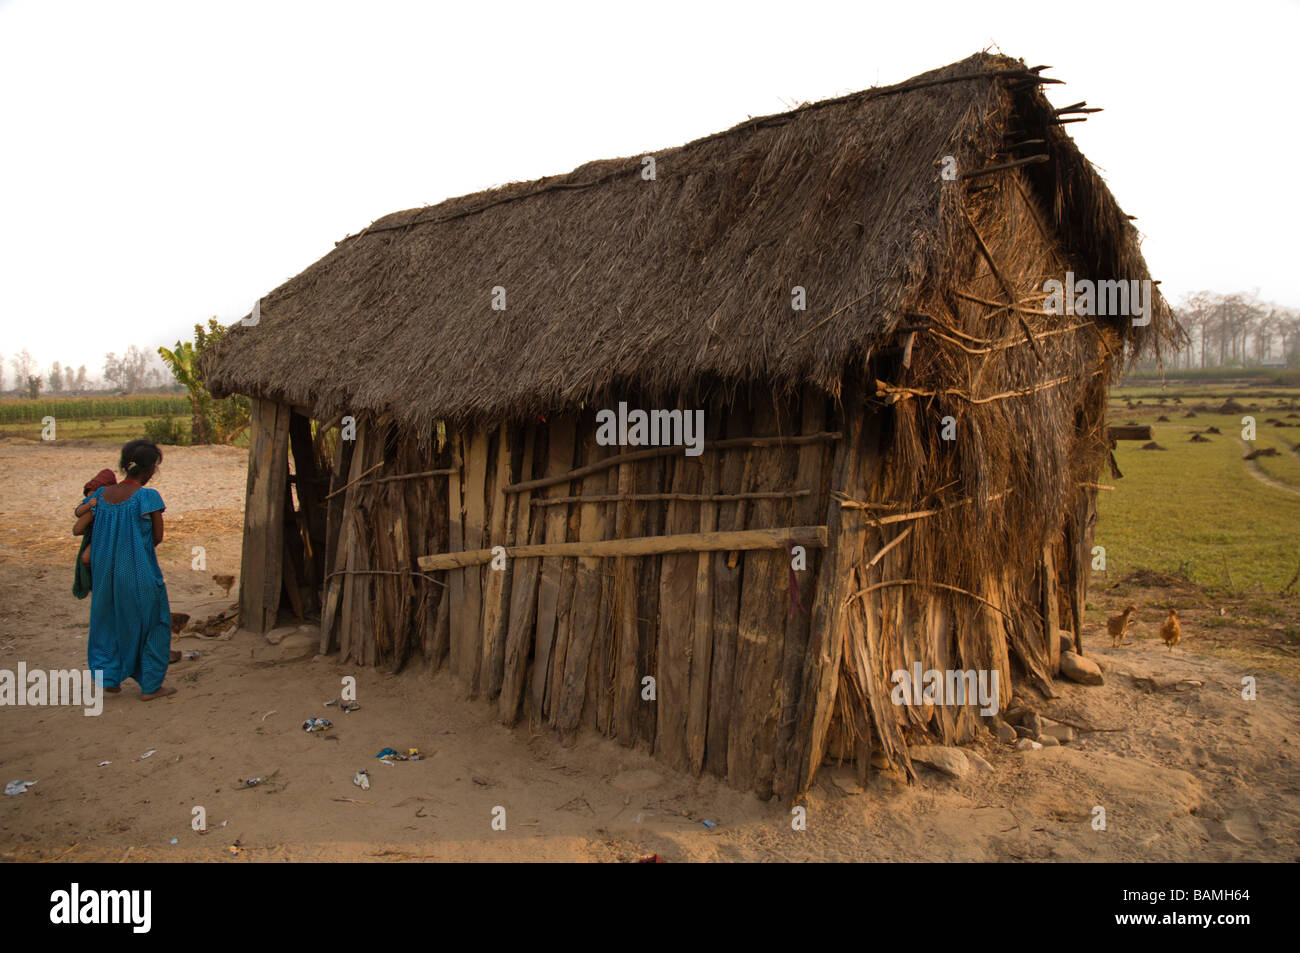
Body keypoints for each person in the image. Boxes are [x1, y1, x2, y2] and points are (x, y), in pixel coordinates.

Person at [73, 440, 176, 700]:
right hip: (139, 572)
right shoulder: (148, 497)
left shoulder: (99, 496)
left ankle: (109, 678)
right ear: (152, 469)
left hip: (105, 575)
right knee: (153, 624)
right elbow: (157, 537)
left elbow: (78, 526)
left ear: (125, 465)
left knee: (107, 622)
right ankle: (151, 686)